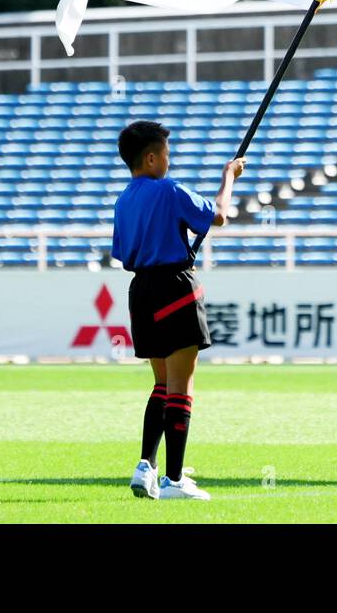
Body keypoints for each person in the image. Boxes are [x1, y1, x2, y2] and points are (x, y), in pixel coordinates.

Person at [111, 120, 244, 501]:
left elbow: (121, 254)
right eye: (166, 154)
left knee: (161, 384)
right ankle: (173, 480)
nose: (168, 161)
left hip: (141, 291)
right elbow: (219, 215)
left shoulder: (123, 199)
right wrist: (228, 176)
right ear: (150, 157)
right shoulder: (168, 190)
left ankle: (146, 465)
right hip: (176, 287)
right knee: (181, 386)